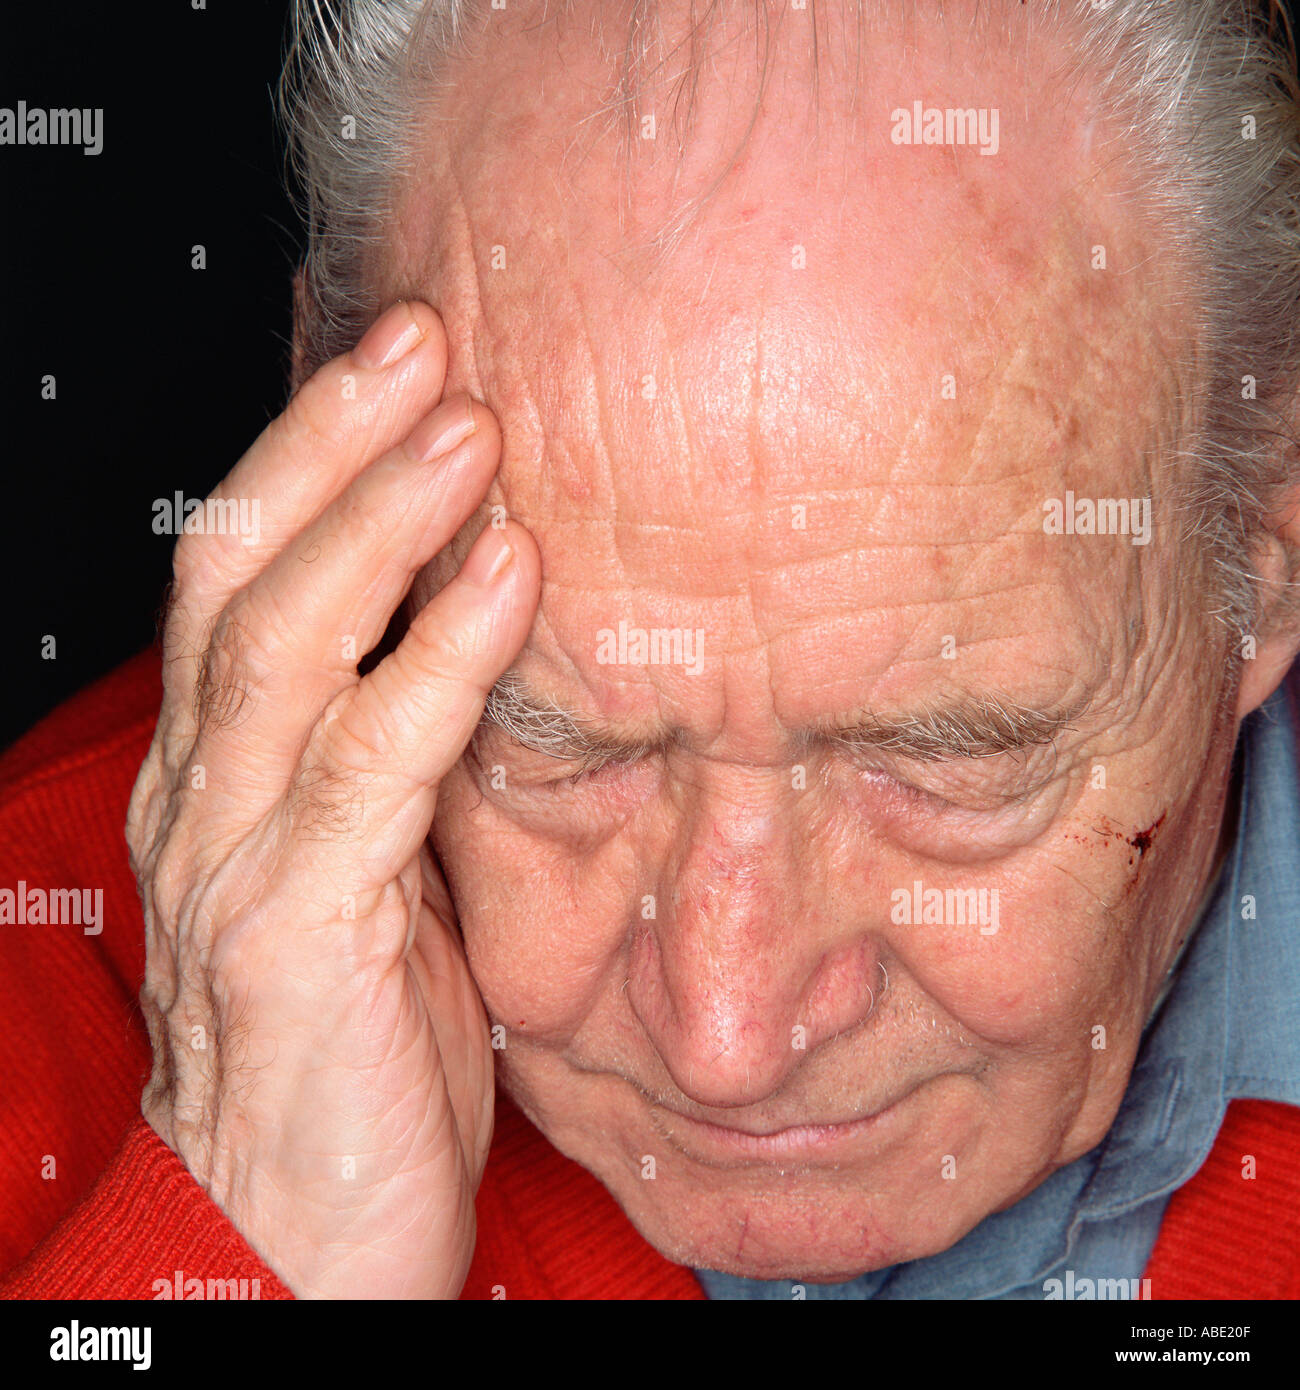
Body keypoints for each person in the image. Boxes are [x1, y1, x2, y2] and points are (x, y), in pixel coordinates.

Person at [3, 0, 1300, 1300]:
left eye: (941, 765)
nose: (725, 1035)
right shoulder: (37, 980)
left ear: (1267, 540)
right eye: (559, 747)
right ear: (334, 475)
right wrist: (243, 1240)